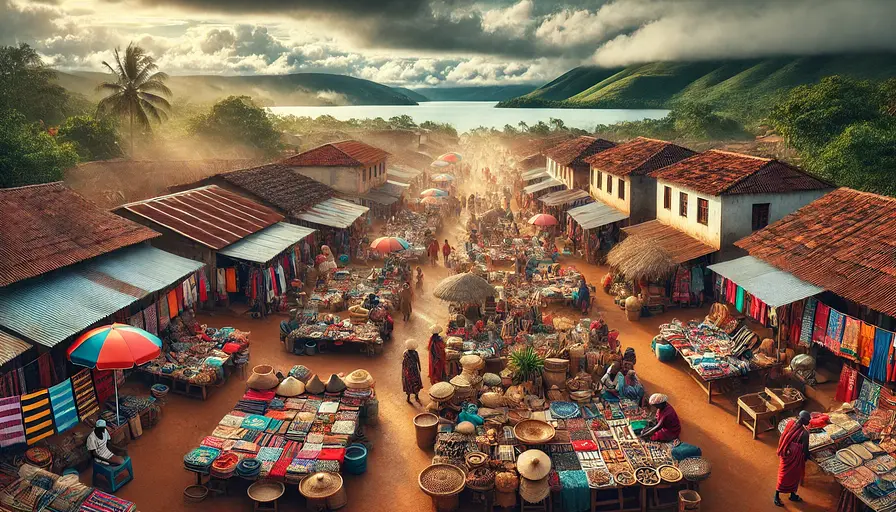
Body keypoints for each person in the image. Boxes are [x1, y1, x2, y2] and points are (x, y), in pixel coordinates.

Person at [775, 411, 811, 506]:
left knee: (783, 475)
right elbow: (805, 449)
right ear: (803, 420)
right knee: (793, 476)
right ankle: (778, 496)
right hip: (795, 457)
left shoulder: (790, 423)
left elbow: (784, 437)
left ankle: (787, 495)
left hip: (786, 454)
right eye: (808, 420)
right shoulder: (804, 434)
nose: (810, 421)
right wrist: (807, 457)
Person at [402, 339, 423, 403]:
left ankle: (414, 397)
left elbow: (417, 361)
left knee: (411, 384)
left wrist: (419, 367)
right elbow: (417, 361)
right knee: (412, 384)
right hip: (411, 372)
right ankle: (411, 398)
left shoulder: (407, 354)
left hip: (411, 372)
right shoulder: (408, 354)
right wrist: (419, 368)